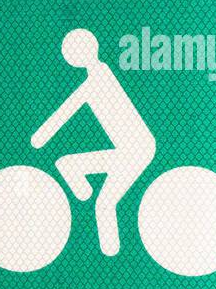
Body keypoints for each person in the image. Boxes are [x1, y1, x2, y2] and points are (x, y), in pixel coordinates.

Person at [31, 28, 157, 256]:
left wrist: (40, 138)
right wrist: (41, 136)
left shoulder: (99, 77)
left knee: (103, 203)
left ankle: (111, 254)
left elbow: (67, 109)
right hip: (130, 151)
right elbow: (68, 108)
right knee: (70, 169)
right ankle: (84, 195)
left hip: (137, 151)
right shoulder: (96, 77)